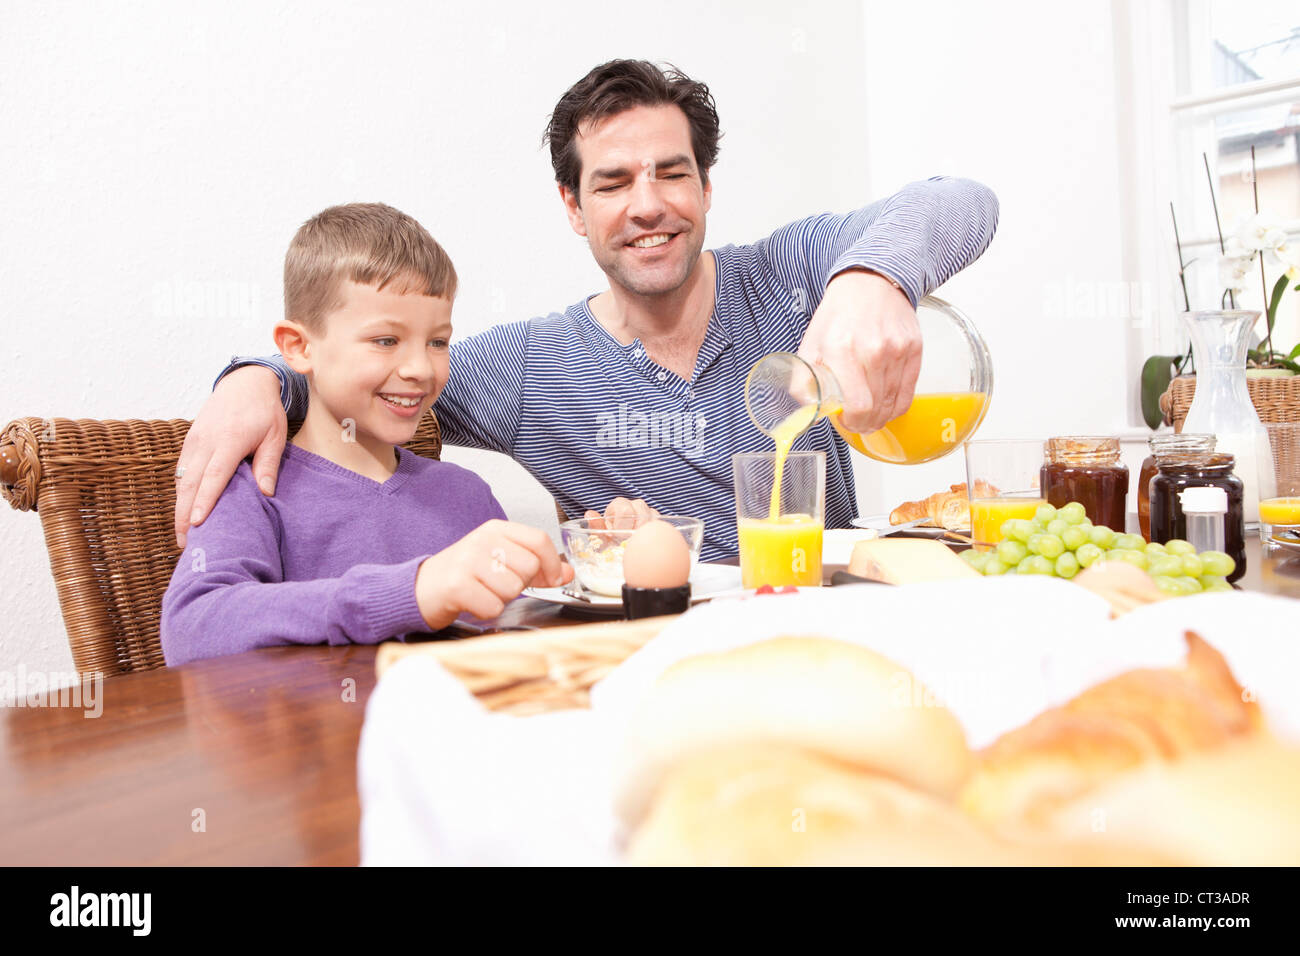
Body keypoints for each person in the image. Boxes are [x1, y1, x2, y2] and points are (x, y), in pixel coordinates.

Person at [175, 59, 999, 562]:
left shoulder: (788, 275)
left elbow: (962, 200)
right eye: (612, 182)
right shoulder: (528, 369)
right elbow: (366, 373)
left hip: (835, 627)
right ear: (573, 207)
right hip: (654, 660)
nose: (648, 205)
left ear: (706, 189)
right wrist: (254, 379)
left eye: (672, 174)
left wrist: (873, 278)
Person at [160, 203, 577, 665]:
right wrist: (408, 592)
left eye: (437, 341)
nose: (420, 368)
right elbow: (192, 629)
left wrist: (591, 565)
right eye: (386, 340)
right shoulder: (253, 488)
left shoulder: (466, 494)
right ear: (298, 347)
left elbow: (514, 628)